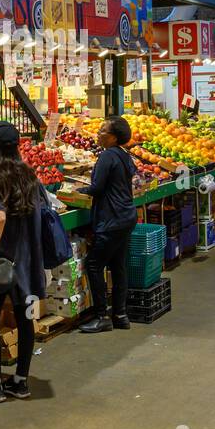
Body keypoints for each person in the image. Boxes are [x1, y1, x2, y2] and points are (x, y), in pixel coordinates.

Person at [0, 122, 46, 402]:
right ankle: (20, 381)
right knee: (26, 320)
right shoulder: (28, 174)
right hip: (27, 261)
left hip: (2, 262)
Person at [78, 115, 138, 333]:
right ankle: (120, 315)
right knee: (118, 265)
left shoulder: (107, 156)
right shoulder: (124, 155)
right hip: (126, 217)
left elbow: (97, 188)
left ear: (112, 137)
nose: (98, 133)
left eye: (102, 131)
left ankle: (102, 315)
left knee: (94, 264)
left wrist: (76, 191)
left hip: (111, 219)